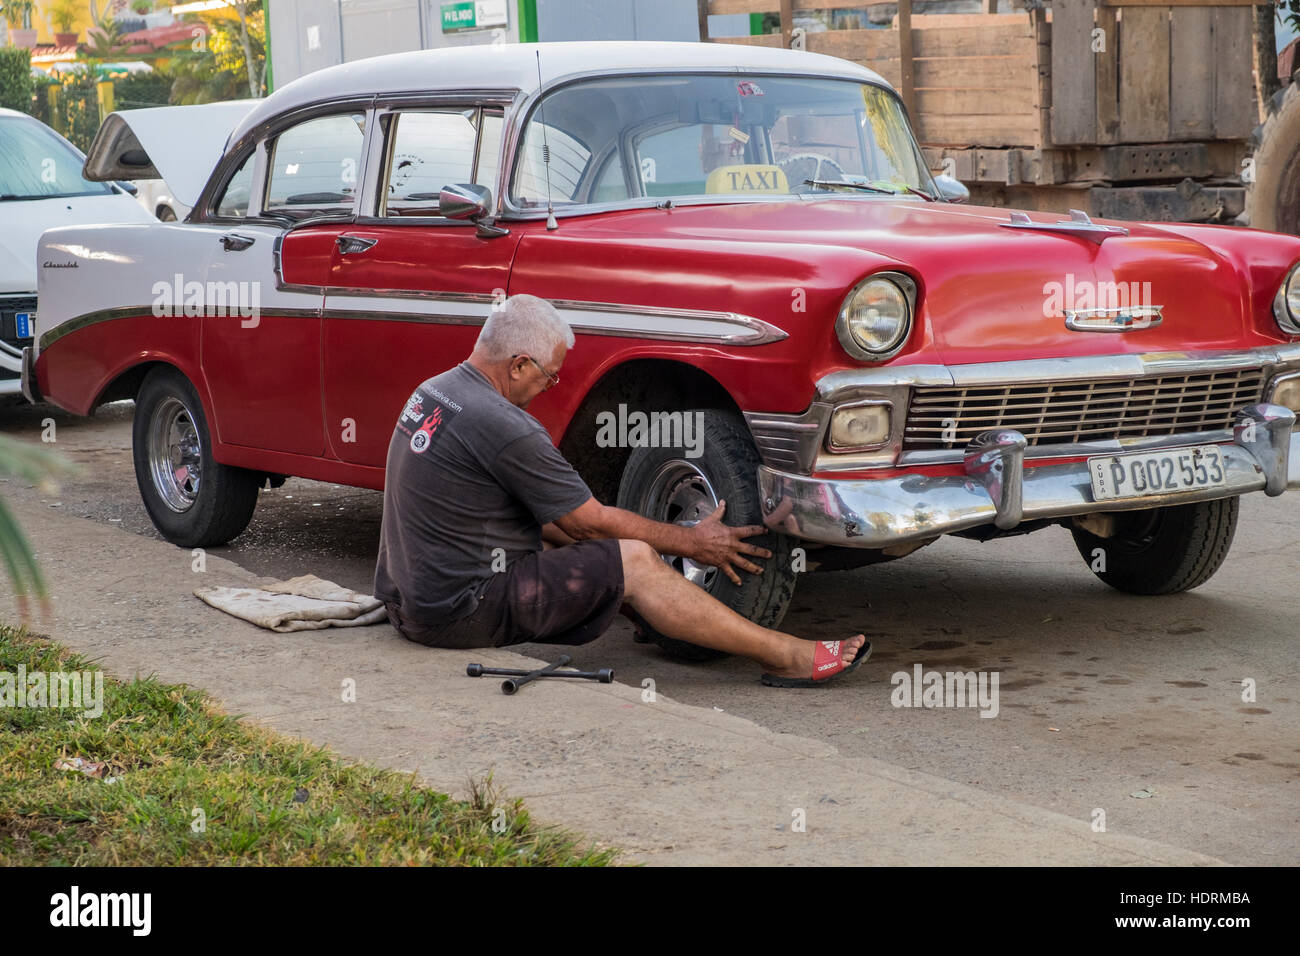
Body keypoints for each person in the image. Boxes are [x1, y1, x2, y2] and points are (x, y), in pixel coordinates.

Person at [374, 294, 868, 687]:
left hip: (410, 600)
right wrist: (691, 542)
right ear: (519, 364)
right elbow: (586, 520)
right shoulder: (505, 425)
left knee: (573, 539)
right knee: (631, 559)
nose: (552, 385)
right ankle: (787, 656)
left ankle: (652, 608)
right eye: (549, 375)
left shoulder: (437, 389)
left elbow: (553, 521)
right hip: (457, 614)